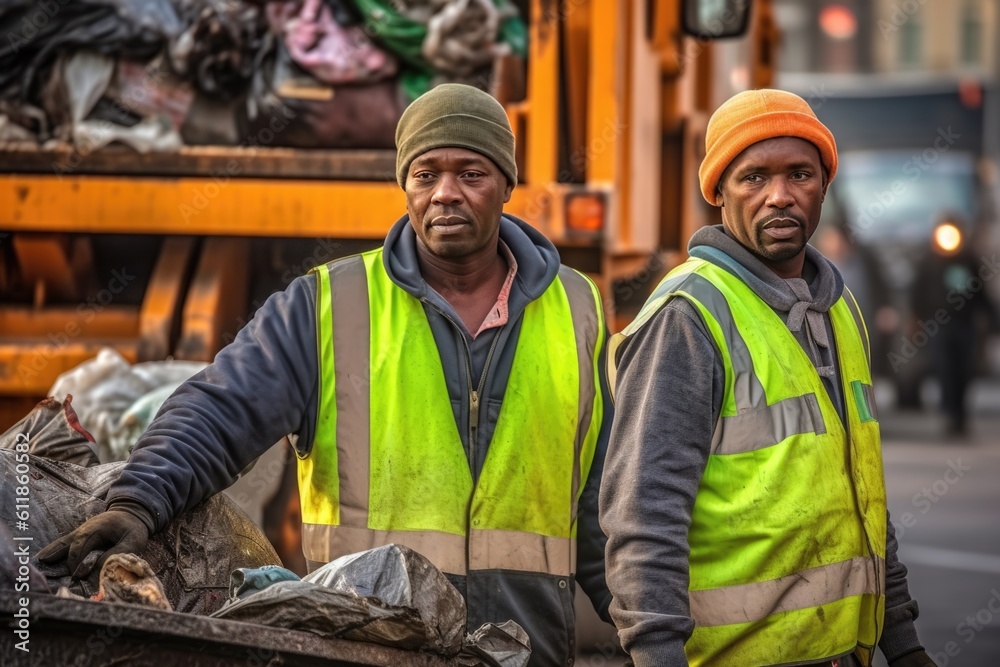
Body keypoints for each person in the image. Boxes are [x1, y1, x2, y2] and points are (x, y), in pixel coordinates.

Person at [39, 83, 614, 666]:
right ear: (404, 186)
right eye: (425, 175)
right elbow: (221, 409)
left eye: (471, 174)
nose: (446, 194)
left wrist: (654, 634)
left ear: (507, 185)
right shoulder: (327, 306)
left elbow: (607, 499)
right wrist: (138, 503)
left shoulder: (578, 310)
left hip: (529, 652)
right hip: (367, 651)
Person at [600, 89, 933, 667]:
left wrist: (902, 645)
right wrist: (657, 656)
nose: (780, 196)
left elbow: (863, 495)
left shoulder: (841, 311)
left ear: (824, 185)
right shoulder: (688, 315)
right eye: (753, 177)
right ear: (720, 193)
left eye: (799, 173)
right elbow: (644, 516)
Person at [909, 216, 995, 436]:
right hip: (938, 326)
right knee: (944, 368)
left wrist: (992, 319)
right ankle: (949, 412)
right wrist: (914, 322)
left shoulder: (968, 260)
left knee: (965, 370)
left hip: (965, 325)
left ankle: (960, 412)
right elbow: (917, 294)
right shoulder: (928, 261)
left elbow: (981, 293)